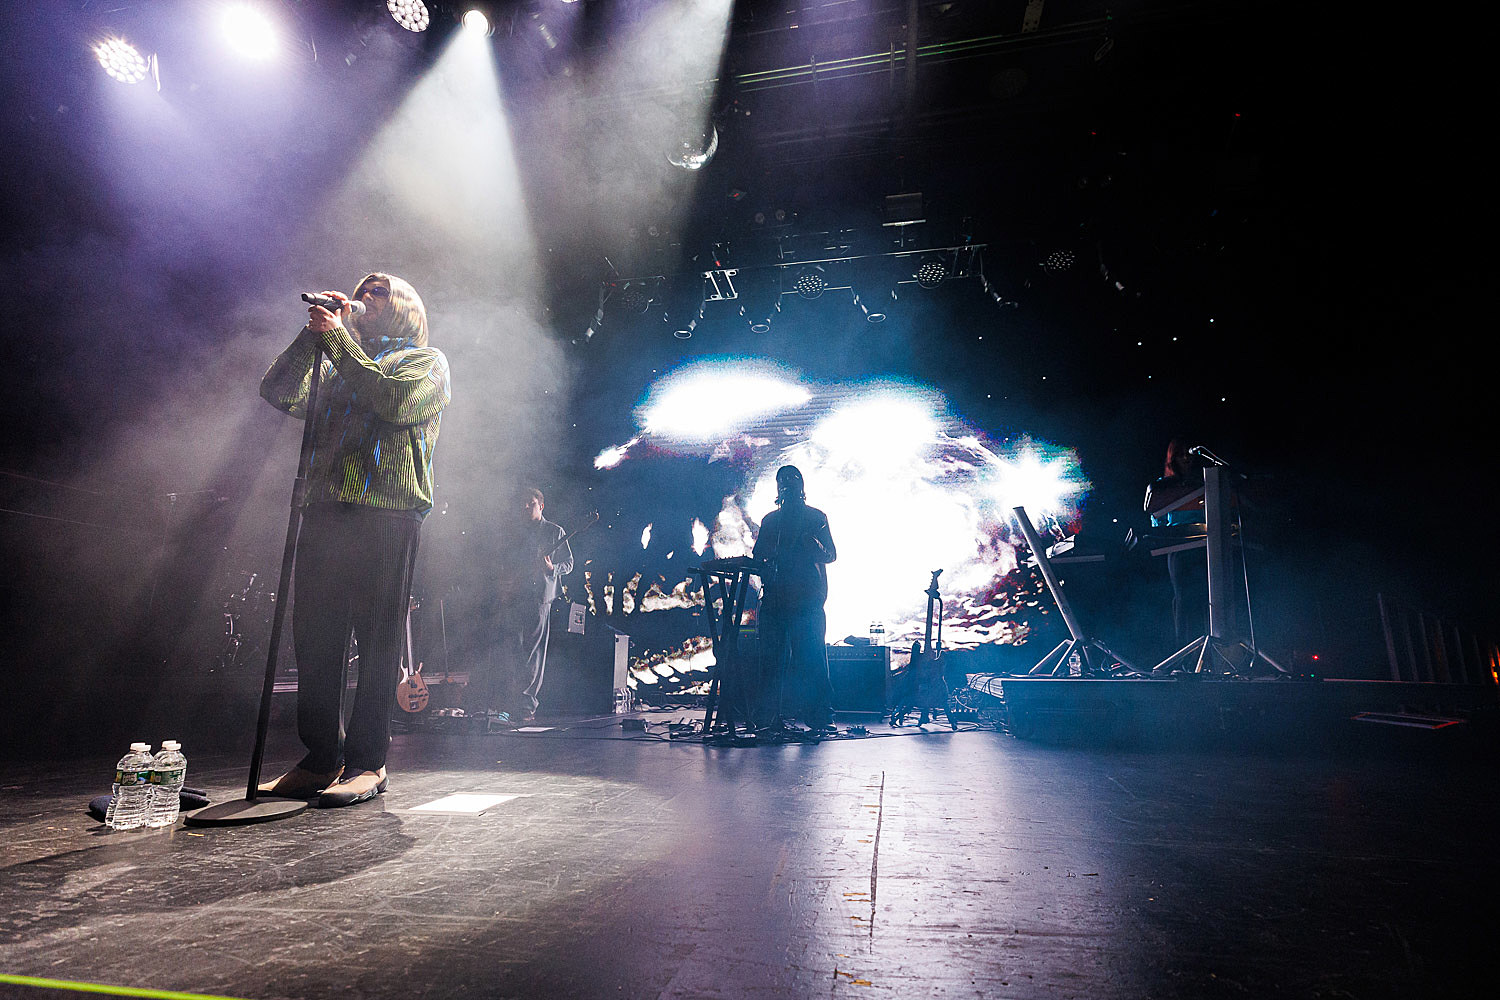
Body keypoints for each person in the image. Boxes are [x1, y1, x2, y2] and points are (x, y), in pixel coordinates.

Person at [256, 273, 451, 807]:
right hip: (324, 510)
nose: (365, 295)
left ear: (406, 308)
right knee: (316, 638)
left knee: (377, 638)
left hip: (387, 514)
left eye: (378, 290)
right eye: (362, 288)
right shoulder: (338, 362)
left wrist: (338, 340)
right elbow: (278, 392)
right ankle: (322, 757)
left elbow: (393, 401)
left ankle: (369, 762)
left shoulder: (426, 362)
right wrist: (312, 336)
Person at [752, 465, 837, 734]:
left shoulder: (816, 517)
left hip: (807, 600)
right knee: (771, 661)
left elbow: (831, 554)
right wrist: (766, 562)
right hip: (776, 598)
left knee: (812, 659)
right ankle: (768, 718)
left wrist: (814, 545)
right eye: (784, 481)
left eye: (793, 480)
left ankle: (820, 717)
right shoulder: (770, 521)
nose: (788, 485)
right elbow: (757, 556)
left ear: (801, 486)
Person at [484, 487, 573, 723]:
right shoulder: (515, 533)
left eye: (531, 503)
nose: (525, 507)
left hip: (539, 597)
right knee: (512, 648)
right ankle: (508, 700)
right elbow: (503, 563)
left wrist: (552, 568)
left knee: (533, 652)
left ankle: (526, 705)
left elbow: (569, 563)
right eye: (523, 503)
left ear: (541, 506)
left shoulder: (555, 531)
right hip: (514, 596)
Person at [1144, 438, 1208, 649]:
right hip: (1180, 547)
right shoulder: (1163, 486)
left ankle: (1212, 646)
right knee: (1183, 597)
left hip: (1210, 542)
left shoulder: (1207, 481)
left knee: (1209, 596)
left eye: (1188, 453)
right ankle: (1184, 651)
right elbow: (1157, 519)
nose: (1186, 458)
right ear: (1173, 459)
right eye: (1180, 455)